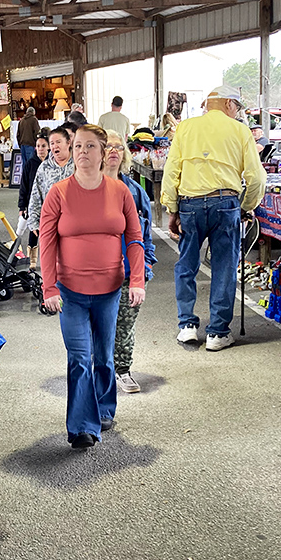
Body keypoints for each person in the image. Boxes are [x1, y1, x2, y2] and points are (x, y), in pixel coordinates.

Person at [40, 125, 146, 449]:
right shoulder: (58, 193)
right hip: (69, 291)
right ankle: (82, 427)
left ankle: (104, 408)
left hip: (110, 290)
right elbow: (46, 242)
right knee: (80, 357)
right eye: (78, 147)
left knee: (103, 356)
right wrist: (49, 288)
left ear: (103, 153)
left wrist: (137, 280)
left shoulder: (121, 192)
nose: (83, 152)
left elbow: (135, 239)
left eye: (90, 147)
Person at [161, 85, 267, 351]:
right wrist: (245, 206)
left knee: (186, 265)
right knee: (224, 267)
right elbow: (256, 177)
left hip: (190, 204)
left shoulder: (185, 128)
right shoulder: (240, 130)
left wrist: (172, 209)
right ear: (230, 104)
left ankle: (186, 326)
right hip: (225, 202)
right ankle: (217, 333)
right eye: (237, 107)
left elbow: (172, 170)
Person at [103, 130, 157, 393]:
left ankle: (122, 370)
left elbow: (145, 234)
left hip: (128, 271)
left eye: (118, 147)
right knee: (98, 329)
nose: (114, 151)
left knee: (124, 325)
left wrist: (144, 267)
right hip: (95, 274)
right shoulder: (84, 188)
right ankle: (101, 372)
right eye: (108, 146)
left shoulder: (135, 192)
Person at [27, 126, 74, 234]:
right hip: (50, 223)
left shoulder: (78, 165)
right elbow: (35, 195)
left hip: (74, 224)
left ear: (68, 143)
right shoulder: (44, 167)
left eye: (58, 142)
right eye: (52, 143)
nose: (55, 146)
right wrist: (34, 222)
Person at [18, 132, 50, 270]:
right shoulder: (30, 164)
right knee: (34, 230)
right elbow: (23, 186)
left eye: (43, 146)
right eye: (38, 146)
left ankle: (49, 258)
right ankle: (32, 260)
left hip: (50, 203)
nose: (41, 149)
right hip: (33, 203)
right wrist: (22, 206)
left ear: (48, 147)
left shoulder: (52, 164)